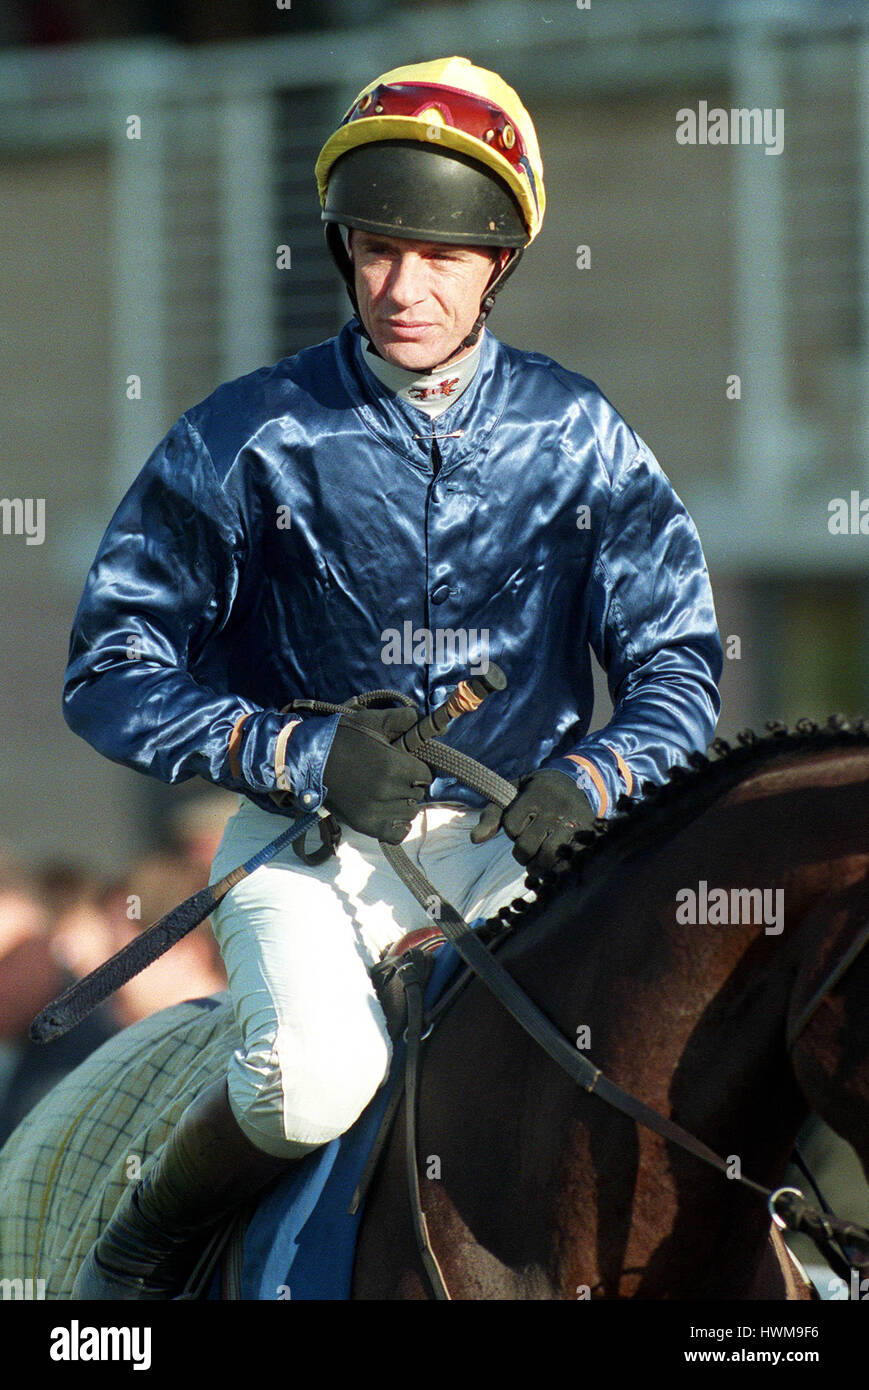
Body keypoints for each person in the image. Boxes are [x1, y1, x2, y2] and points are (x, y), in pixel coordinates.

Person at [64, 56, 722, 1298]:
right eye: (374, 253)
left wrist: (595, 773)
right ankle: (136, 1256)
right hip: (302, 854)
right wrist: (293, 753)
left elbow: (679, 667)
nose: (402, 289)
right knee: (315, 1080)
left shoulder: (582, 436)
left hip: (515, 850)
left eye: (440, 260)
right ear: (340, 250)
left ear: (499, 265)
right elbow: (109, 667)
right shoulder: (243, 435)